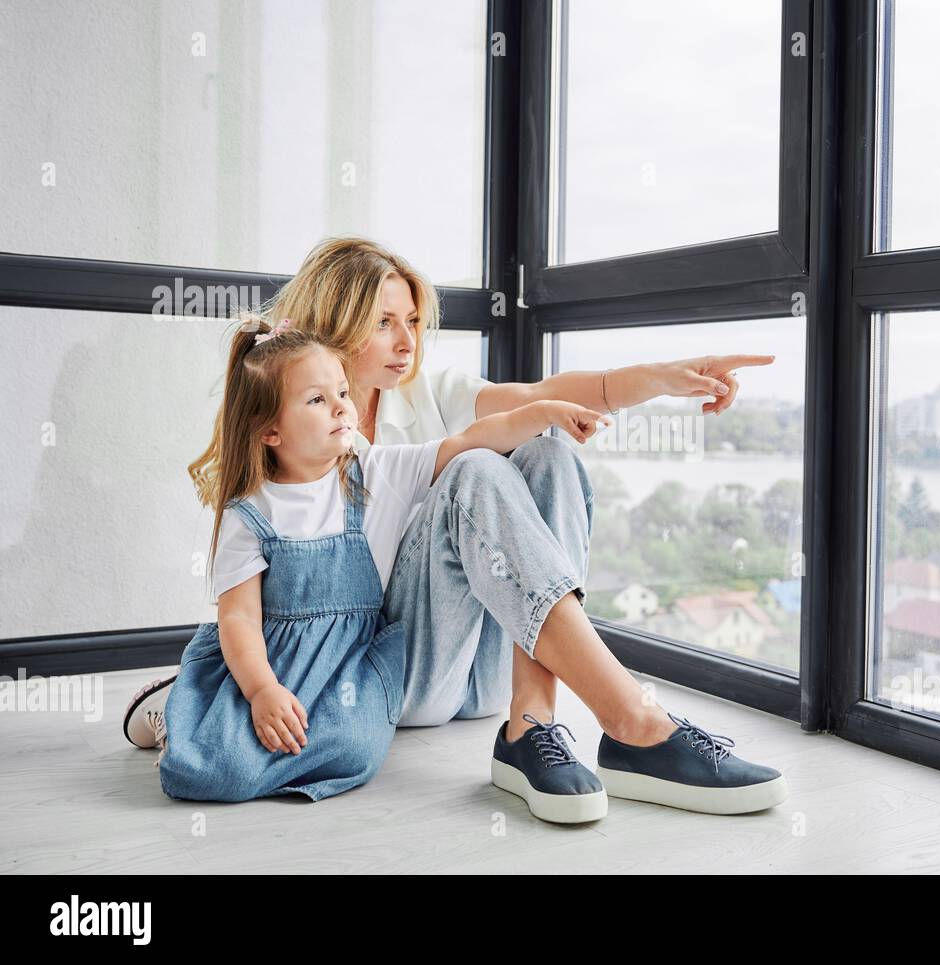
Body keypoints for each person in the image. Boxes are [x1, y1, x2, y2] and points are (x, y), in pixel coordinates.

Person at [128, 236, 788, 821]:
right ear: (334, 321)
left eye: (413, 320)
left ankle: (531, 725)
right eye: (384, 322)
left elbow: (551, 390)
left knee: (546, 447)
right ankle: (633, 718)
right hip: (389, 672)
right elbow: (248, 603)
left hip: (483, 670)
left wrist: (666, 377)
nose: (406, 340)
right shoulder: (288, 432)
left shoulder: (426, 392)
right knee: (475, 468)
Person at [150, 319, 609, 803]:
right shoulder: (252, 512)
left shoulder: (374, 471)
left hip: (477, 684)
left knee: (541, 455)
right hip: (349, 678)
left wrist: (541, 412)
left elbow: (470, 441)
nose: (342, 407)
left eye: (342, 392)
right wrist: (263, 690)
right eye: (317, 400)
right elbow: (239, 616)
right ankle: (180, 712)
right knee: (221, 766)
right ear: (269, 431)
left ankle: (539, 722)